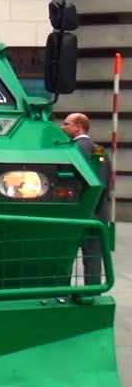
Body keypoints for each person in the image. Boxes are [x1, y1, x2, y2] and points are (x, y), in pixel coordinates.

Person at [61, 112, 113, 284]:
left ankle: (63, 291)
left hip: (73, 214)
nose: (62, 127)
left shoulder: (69, 150)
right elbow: (106, 183)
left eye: (66, 124)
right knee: (93, 257)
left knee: (64, 257)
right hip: (98, 214)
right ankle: (92, 291)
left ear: (78, 127)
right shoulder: (100, 151)